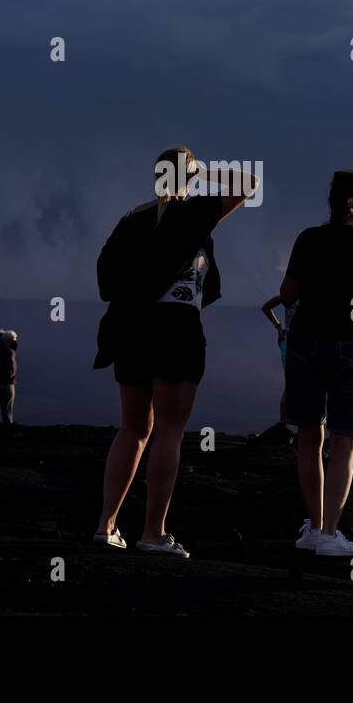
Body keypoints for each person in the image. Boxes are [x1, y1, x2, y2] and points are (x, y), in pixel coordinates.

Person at [93, 146, 259, 558]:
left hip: (131, 329)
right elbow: (249, 184)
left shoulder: (131, 218)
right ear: (188, 174)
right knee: (168, 430)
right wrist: (202, 170)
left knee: (132, 429)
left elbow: (105, 280)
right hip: (176, 329)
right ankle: (153, 533)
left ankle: (106, 525)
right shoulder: (196, 210)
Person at [279, 170, 353, 557]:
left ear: (329, 200)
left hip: (307, 341)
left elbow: (288, 292)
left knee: (309, 436)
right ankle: (330, 532)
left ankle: (314, 526)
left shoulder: (308, 239)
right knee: (344, 440)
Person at [261, 294, 298, 422]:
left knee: (294, 385)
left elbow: (266, 307)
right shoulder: (289, 295)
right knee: (291, 385)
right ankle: (284, 424)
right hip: (290, 343)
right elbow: (266, 307)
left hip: (298, 343)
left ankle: (288, 426)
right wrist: (278, 327)